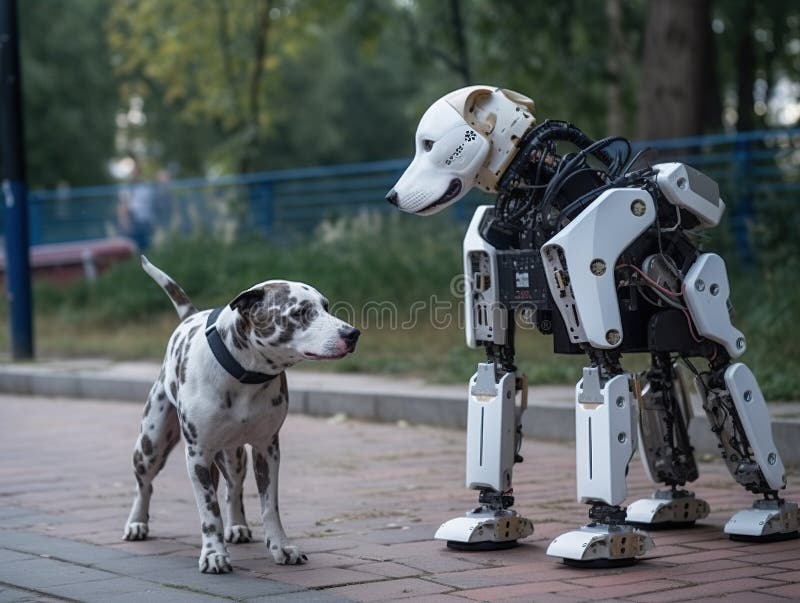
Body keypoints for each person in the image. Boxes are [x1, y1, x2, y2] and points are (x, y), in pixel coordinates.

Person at [117, 160, 155, 250]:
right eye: (132, 173)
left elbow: (148, 205)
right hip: (132, 220)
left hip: (143, 219)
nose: (134, 175)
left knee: (144, 246)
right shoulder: (126, 188)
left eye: (136, 173)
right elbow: (123, 205)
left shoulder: (146, 188)